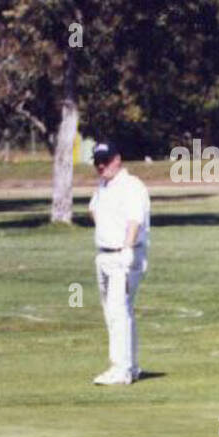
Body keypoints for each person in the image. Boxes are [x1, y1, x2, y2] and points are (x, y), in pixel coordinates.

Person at [89, 140, 150, 385]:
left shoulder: (131, 186)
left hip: (125, 256)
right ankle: (130, 366)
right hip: (104, 254)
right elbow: (92, 210)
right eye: (97, 162)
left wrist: (126, 248)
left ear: (117, 159)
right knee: (115, 312)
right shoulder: (103, 186)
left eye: (105, 160)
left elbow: (135, 220)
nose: (101, 165)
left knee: (118, 311)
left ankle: (121, 369)